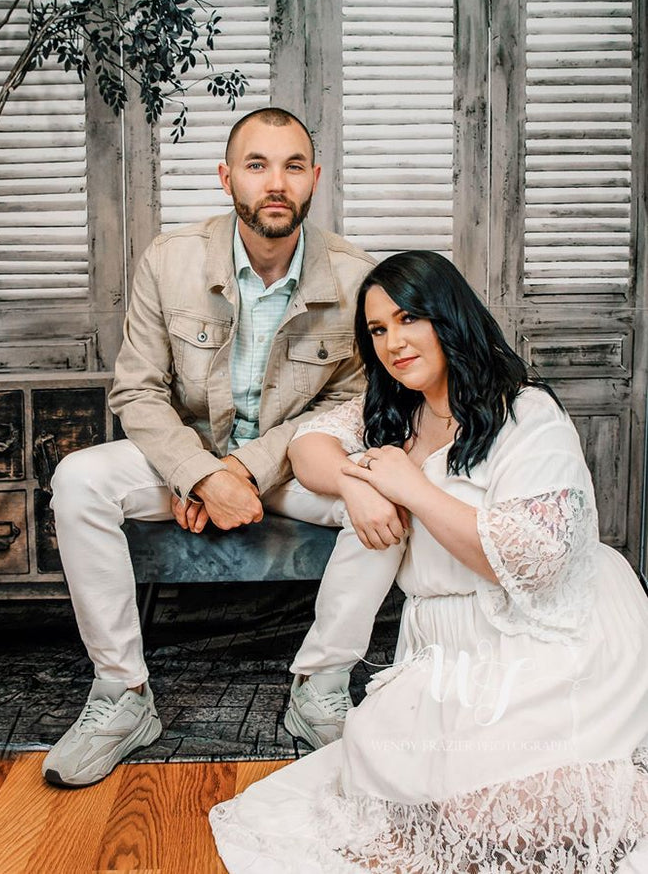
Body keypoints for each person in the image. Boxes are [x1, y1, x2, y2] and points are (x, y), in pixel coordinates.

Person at [209, 250, 648, 873]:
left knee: (485, 818)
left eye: (409, 318)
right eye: (378, 330)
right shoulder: (398, 412)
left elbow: (532, 565)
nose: (393, 342)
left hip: (545, 633)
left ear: (449, 317)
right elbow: (307, 446)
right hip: (446, 646)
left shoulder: (523, 412)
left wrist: (411, 487)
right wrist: (357, 484)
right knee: (383, 779)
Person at [42, 107, 398, 788]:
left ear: (315, 178)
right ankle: (123, 696)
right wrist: (201, 475)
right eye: (257, 164)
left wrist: (245, 468)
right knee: (79, 478)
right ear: (225, 175)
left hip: (296, 462)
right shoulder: (170, 260)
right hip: (186, 454)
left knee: (382, 499)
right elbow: (137, 393)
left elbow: (350, 403)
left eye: (293, 166)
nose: (276, 182)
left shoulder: (357, 278)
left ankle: (320, 687)